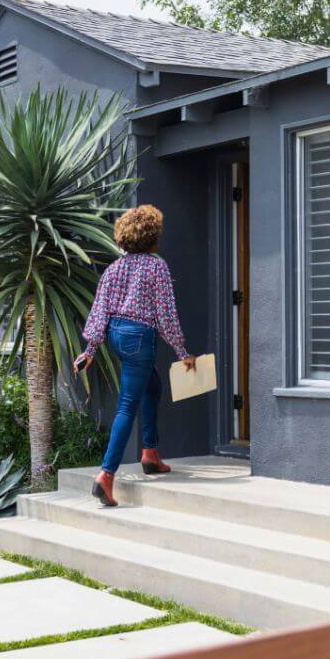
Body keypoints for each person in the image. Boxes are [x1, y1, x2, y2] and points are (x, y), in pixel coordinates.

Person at [74, 205, 195, 507]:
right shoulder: (157, 267)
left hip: (116, 335)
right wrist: (183, 353)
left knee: (151, 386)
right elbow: (165, 315)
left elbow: (100, 309)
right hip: (140, 337)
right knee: (128, 406)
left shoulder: (114, 268)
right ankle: (106, 475)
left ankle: (150, 454)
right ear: (153, 236)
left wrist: (89, 349)